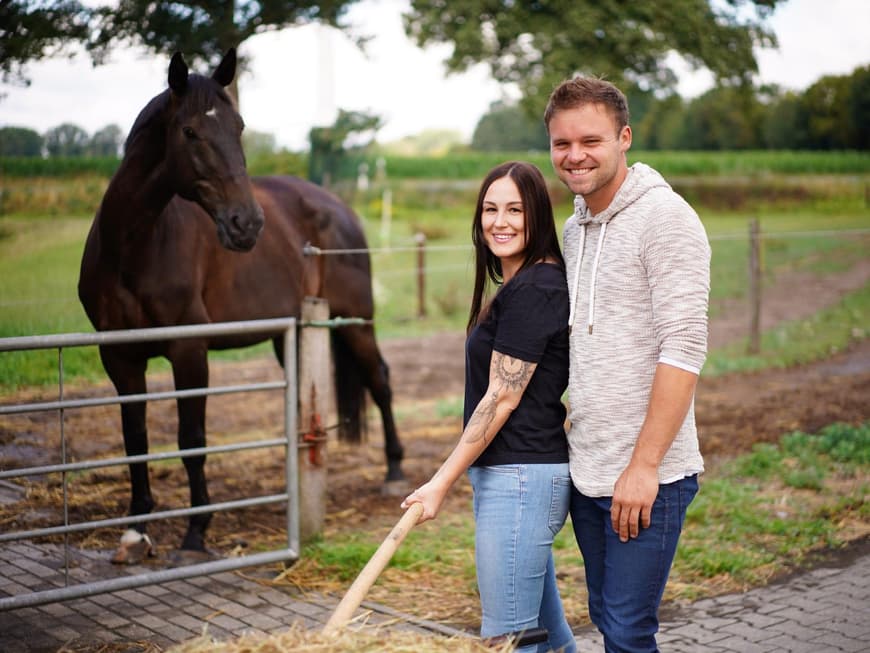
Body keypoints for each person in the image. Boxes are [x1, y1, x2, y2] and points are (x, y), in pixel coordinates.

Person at [544, 76, 711, 653]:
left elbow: (683, 347)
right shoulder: (574, 228)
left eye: (590, 141)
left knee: (628, 630)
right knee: (607, 619)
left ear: (624, 138)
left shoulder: (666, 219)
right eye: (562, 144)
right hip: (589, 466)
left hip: (650, 475)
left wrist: (643, 466)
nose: (575, 156)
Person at [402, 161, 577, 653]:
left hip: (520, 479)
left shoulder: (537, 289)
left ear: (537, 216)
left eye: (515, 210)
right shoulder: (521, 285)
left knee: (508, 641)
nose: (500, 221)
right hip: (515, 475)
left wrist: (440, 484)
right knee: (549, 639)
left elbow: (500, 398)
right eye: (490, 209)